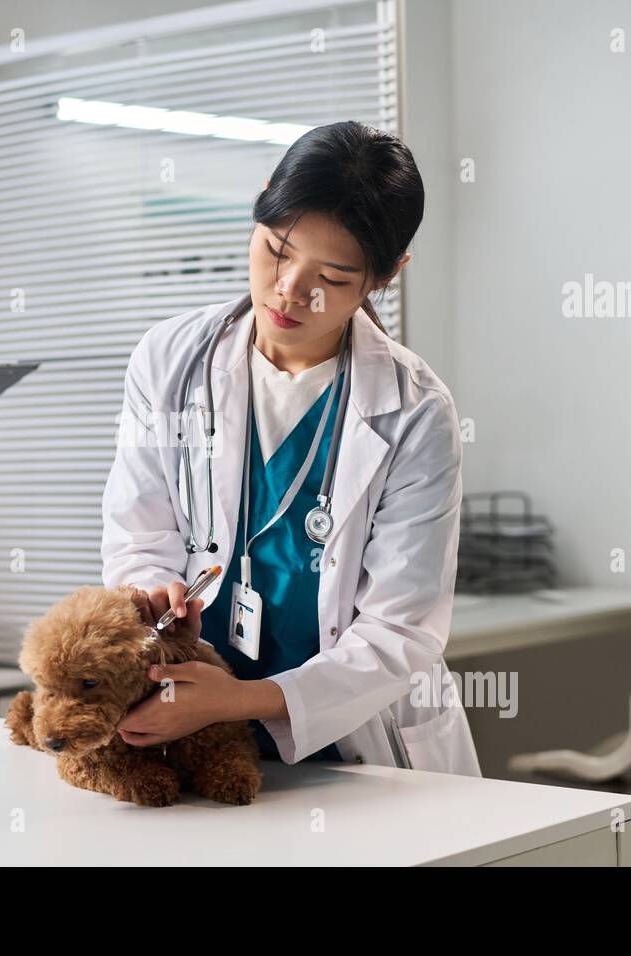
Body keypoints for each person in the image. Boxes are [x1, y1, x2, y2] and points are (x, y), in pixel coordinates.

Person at [101, 122, 480, 774]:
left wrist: (244, 699)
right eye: (278, 250)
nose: (290, 290)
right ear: (263, 203)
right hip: (196, 727)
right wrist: (155, 604)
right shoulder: (169, 360)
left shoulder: (415, 412)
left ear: (386, 276)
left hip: (355, 744)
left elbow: (401, 628)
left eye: (332, 276)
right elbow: (139, 531)